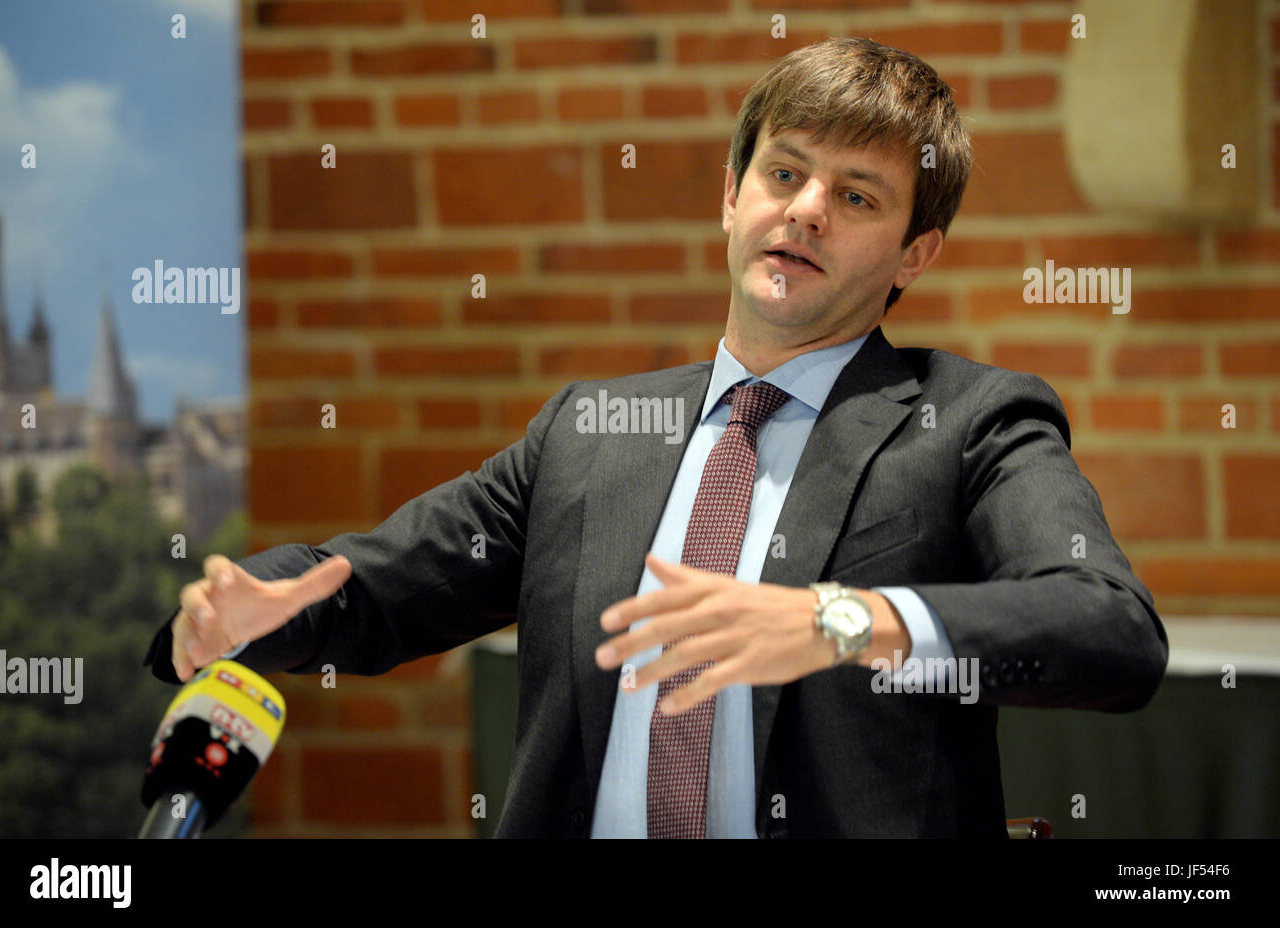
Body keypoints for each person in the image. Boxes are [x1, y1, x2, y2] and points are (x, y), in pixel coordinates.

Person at [144, 36, 1168, 838]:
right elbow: (367, 586)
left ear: (914, 253)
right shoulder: (591, 430)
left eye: (855, 196)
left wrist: (846, 623)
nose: (805, 212)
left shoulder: (971, 420)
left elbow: (1109, 632)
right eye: (784, 174)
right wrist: (248, 612)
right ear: (730, 200)